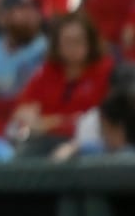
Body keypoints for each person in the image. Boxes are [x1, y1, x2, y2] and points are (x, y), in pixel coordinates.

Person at [11, 13, 115, 147]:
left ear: (90, 42)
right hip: (44, 140)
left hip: (89, 141)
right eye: (67, 41)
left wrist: (52, 122)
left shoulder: (106, 70)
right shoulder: (47, 72)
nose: (72, 47)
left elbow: (102, 118)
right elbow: (23, 110)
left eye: (78, 41)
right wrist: (30, 118)